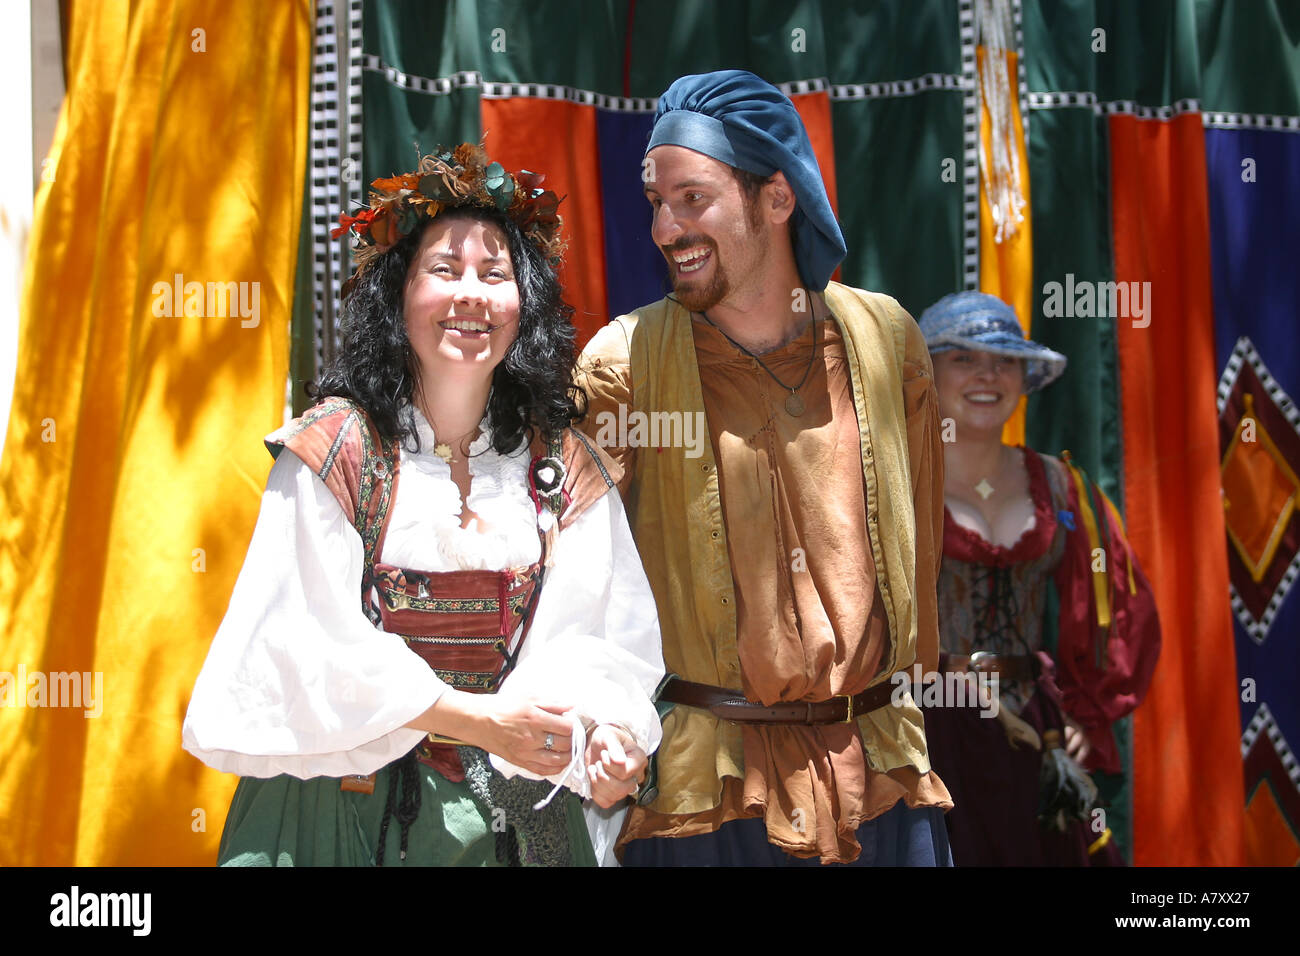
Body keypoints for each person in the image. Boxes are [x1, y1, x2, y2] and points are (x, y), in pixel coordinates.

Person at [183, 144, 664, 867]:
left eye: (495, 274)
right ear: (397, 295)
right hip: (337, 815)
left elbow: (607, 650)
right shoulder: (334, 451)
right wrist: (479, 720)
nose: (471, 294)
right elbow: (303, 646)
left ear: (522, 303)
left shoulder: (562, 467)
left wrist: (608, 739)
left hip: (507, 824)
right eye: (443, 270)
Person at [575, 70, 952, 866]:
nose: (665, 228)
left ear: (777, 199)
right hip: (706, 802)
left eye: (692, 198)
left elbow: (922, 560)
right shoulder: (624, 365)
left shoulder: (888, 343)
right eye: (655, 204)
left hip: (880, 784)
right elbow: (579, 592)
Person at [916, 290, 1161, 865]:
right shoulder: (895, 485)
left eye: (1004, 361)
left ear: (1025, 378)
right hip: (928, 736)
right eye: (964, 358)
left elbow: (1117, 607)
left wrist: (1084, 710)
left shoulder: (1063, 488)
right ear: (926, 373)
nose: (987, 375)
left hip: (1036, 732)